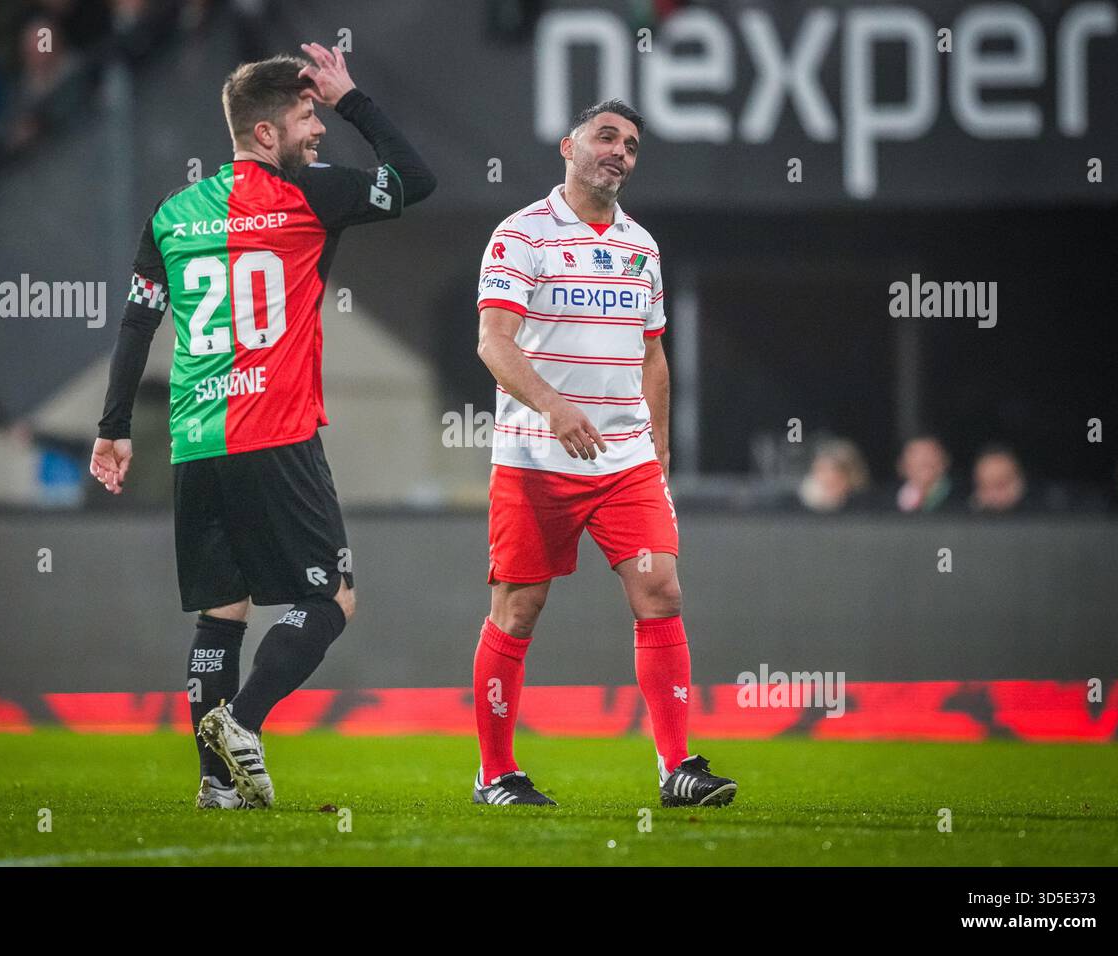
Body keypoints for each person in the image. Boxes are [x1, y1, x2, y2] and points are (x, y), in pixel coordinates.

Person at [90, 44, 434, 809]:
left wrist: (114, 426)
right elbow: (417, 179)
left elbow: (137, 322)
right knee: (333, 598)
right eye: (307, 117)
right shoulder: (311, 194)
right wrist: (354, 99)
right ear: (268, 133)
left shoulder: (172, 214)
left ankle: (218, 790)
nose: (318, 131)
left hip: (195, 443)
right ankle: (241, 722)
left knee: (224, 610)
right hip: (275, 436)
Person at [471, 99, 736, 808]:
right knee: (518, 609)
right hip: (534, 460)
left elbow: (653, 357)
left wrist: (662, 454)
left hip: (624, 464)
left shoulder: (641, 247)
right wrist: (554, 407)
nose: (620, 151)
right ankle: (495, 772)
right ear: (568, 146)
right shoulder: (521, 235)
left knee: (662, 591)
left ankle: (677, 766)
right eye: (607, 137)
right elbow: (493, 343)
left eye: (632, 145)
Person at [797, 438, 871, 513]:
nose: (821, 477)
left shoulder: (864, 507)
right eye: (818, 469)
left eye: (827, 470)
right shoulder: (799, 505)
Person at [891, 435, 961, 513]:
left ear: (944, 461)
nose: (925, 462)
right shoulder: (885, 501)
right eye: (916, 455)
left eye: (931, 454)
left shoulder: (962, 498)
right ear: (902, 465)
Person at [970, 444, 1032, 513]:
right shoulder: (960, 514)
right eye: (988, 485)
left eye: (1002, 483)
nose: (996, 492)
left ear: (1019, 482)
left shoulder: (1040, 513)